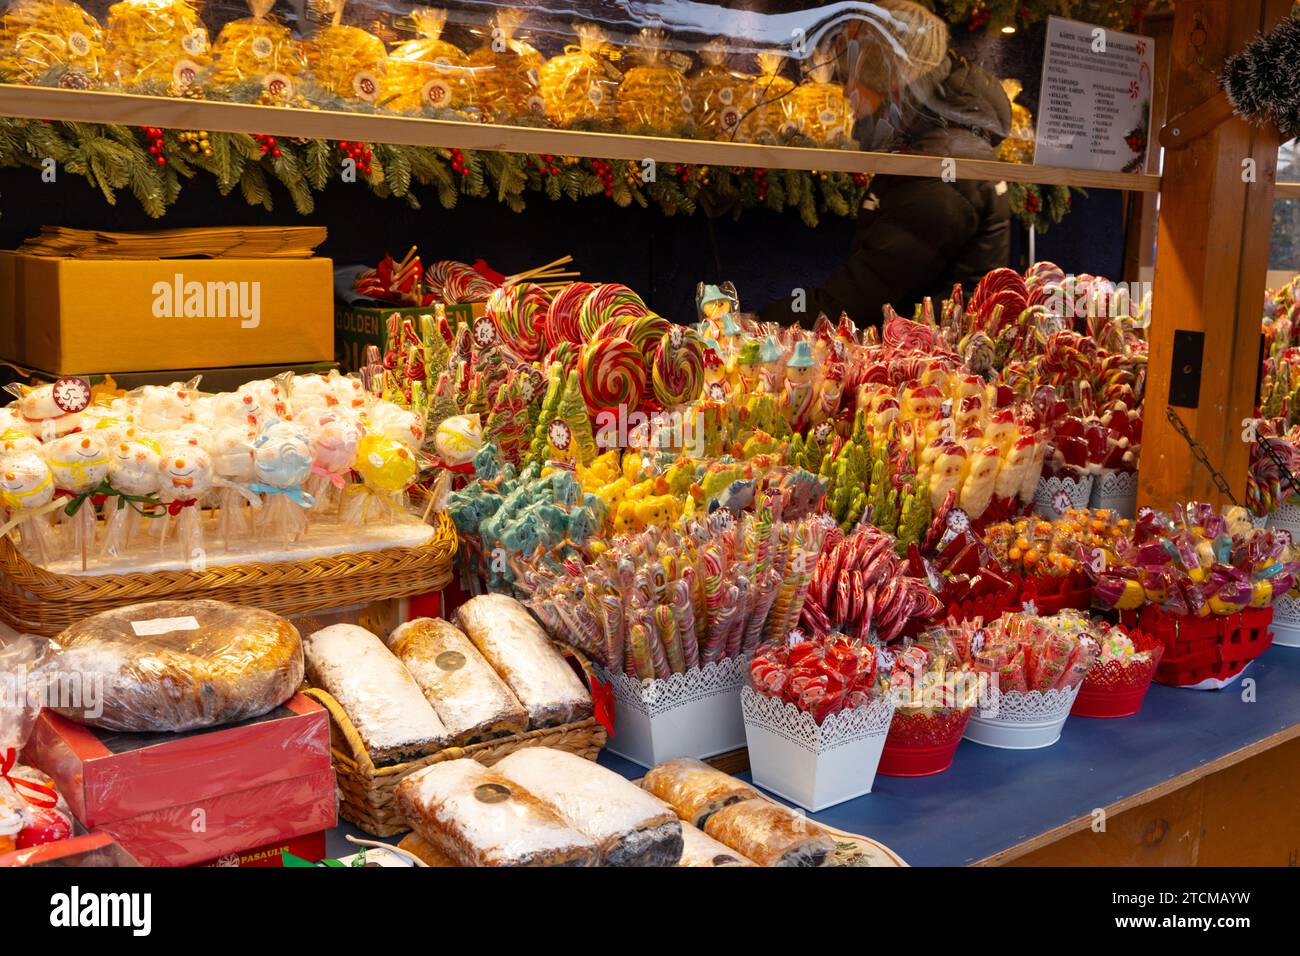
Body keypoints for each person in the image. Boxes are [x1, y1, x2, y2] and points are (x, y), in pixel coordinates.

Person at [761, 0, 1012, 328]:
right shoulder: (928, 144)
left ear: (891, 84)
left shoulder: (941, 167)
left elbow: (858, 303)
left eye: (854, 77)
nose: (847, 91)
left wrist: (757, 324)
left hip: (932, 370)